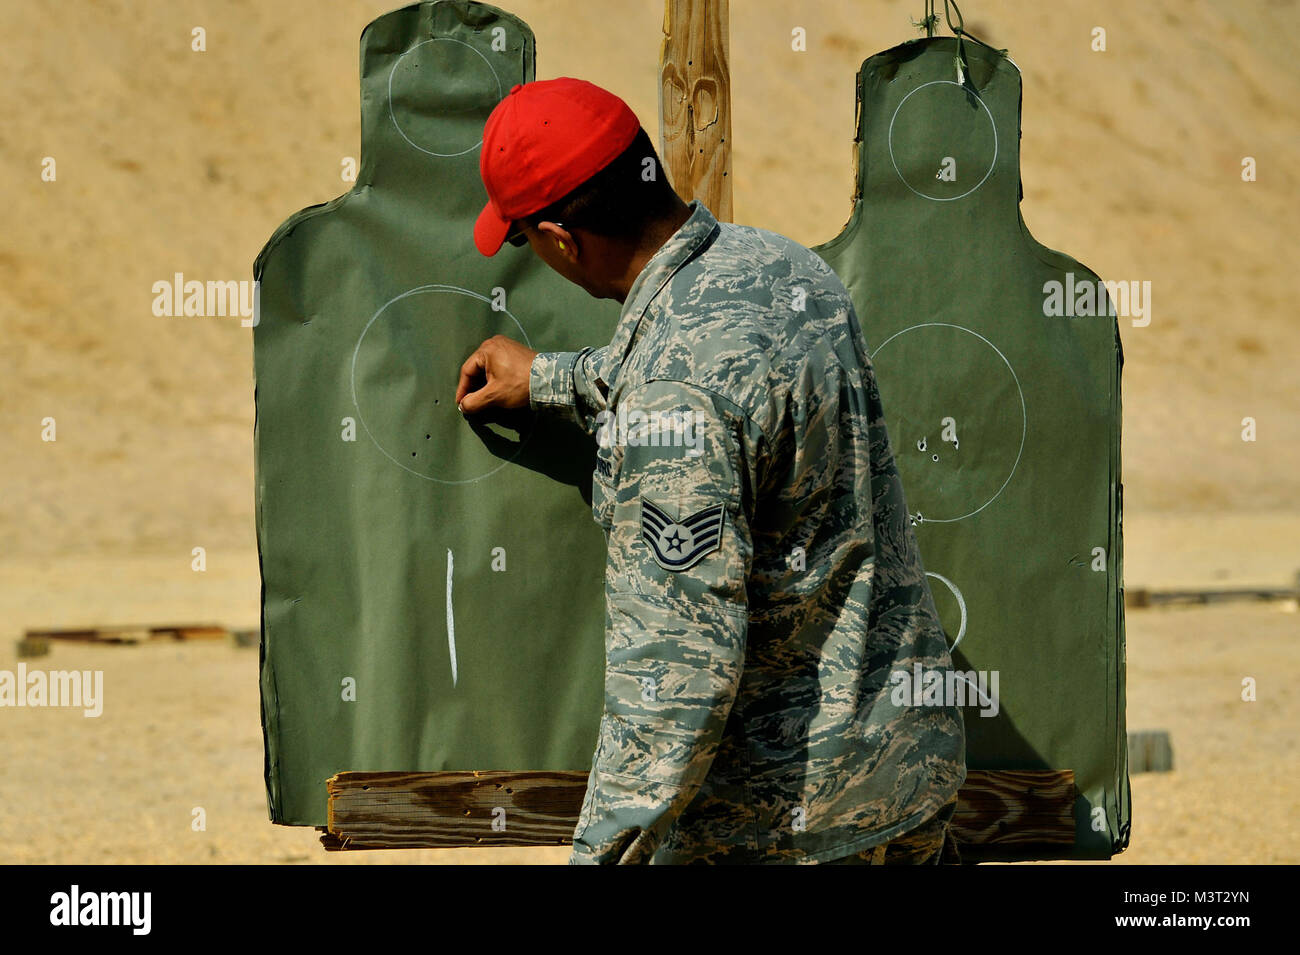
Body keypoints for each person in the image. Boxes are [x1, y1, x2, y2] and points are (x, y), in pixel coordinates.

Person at [457, 77, 965, 864]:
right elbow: (725, 382)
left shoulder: (672, 396)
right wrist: (554, 379)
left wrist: (601, 855)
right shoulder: (781, 268)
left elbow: (674, 676)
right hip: (902, 780)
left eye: (523, 238)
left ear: (561, 238)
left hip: (783, 828)